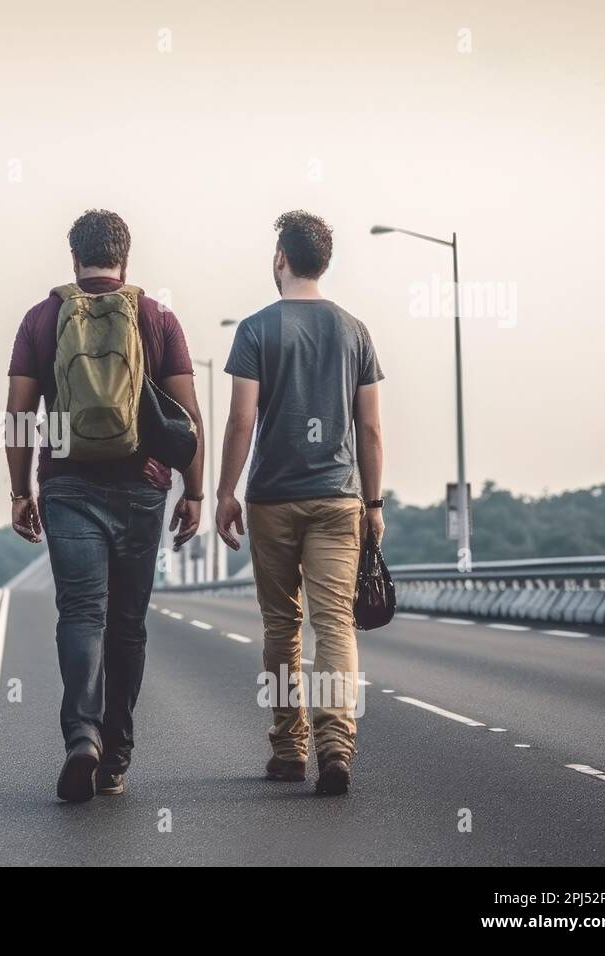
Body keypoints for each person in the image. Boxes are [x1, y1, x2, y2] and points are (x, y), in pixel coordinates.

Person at [6, 208, 204, 803]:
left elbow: (18, 417)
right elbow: (188, 417)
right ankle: (116, 755)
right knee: (126, 624)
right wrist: (193, 491)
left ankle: (82, 737)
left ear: (74, 259)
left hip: (67, 485)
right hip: (143, 486)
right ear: (126, 258)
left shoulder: (43, 318)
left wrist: (20, 491)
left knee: (81, 614)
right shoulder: (156, 316)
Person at [215, 210, 385, 796]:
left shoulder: (257, 329)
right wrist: (375, 503)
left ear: (280, 259)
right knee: (335, 624)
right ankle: (337, 746)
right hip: (340, 499)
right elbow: (371, 429)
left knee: (281, 625)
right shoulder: (354, 331)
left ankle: (290, 749)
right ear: (324, 262)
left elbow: (241, 421)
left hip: (273, 501)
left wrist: (223, 493)